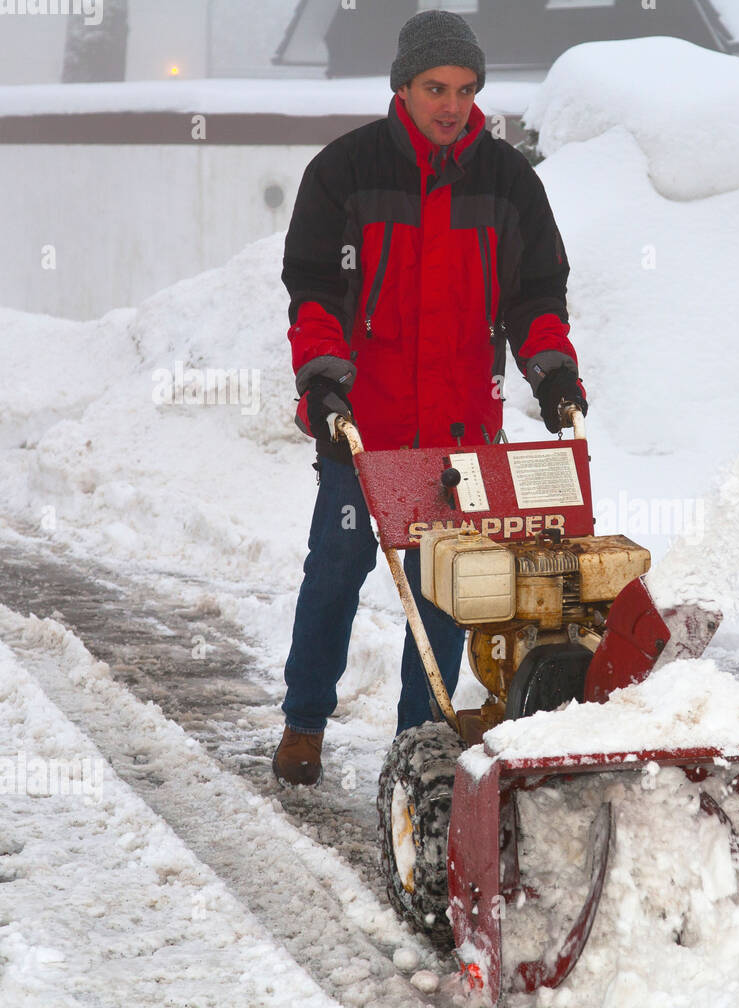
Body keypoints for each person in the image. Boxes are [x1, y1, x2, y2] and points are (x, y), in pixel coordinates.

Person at [273, 10, 586, 785]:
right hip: (365, 431)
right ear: (403, 87)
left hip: (459, 439)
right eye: (435, 87)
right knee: (336, 570)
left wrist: (552, 374)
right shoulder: (344, 174)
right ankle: (304, 721)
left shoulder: (508, 182)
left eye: (465, 89)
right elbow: (314, 294)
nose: (451, 104)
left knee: (448, 591)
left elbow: (537, 295)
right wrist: (322, 379)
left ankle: (422, 749)